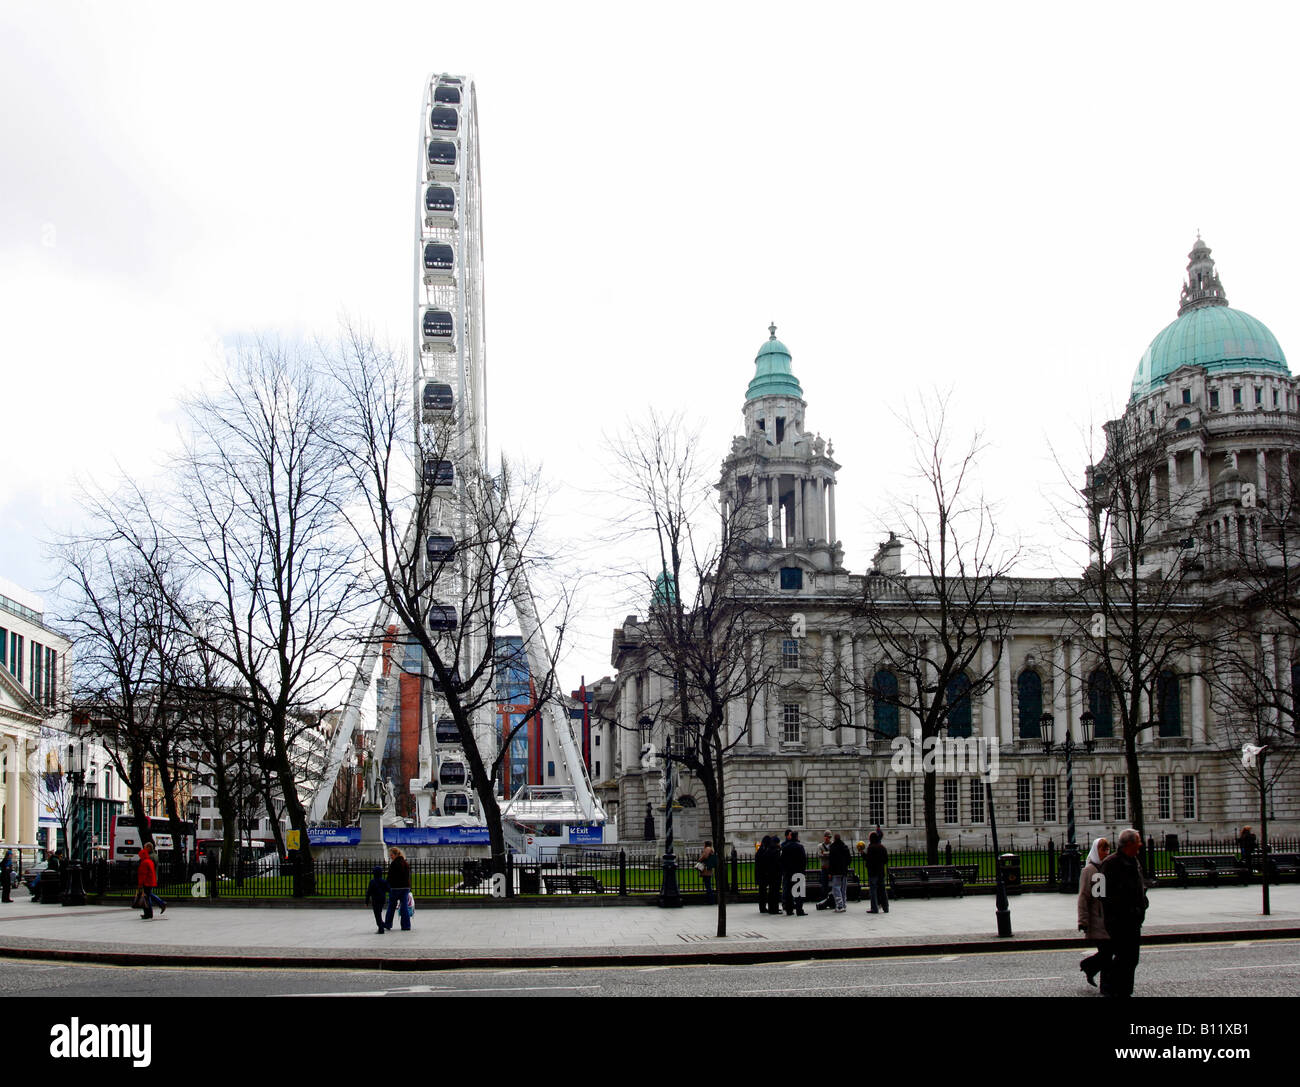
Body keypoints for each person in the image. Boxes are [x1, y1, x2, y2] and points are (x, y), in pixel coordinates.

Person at [1099, 828, 1148, 998]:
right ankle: (1115, 991)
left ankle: (1125, 990)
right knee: (1123, 958)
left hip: (1133, 919)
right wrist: (1119, 908)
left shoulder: (1134, 861)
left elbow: (1138, 886)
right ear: (1129, 844)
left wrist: (1143, 901)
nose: (1141, 844)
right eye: (1138, 841)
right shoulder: (1110, 863)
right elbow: (1100, 892)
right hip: (1119, 921)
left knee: (1132, 959)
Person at [1076, 837, 1111, 987]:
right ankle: (1093, 971)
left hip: (1108, 918)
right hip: (1096, 919)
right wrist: (1083, 921)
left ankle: (1090, 967)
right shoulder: (1088, 870)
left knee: (1108, 953)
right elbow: (1083, 896)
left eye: (1107, 849)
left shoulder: (1108, 867)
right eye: (1103, 849)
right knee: (1107, 953)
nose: (1106, 852)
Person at [384, 846, 412, 931]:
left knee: (391, 907)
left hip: (395, 887)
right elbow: (408, 876)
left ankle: (388, 924)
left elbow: (390, 877)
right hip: (405, 887)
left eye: (391, 855)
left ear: (395, 855)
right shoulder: (405, 863)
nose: (390, 857)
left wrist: (387, 885)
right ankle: (406, 925)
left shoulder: (394, 864)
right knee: (404, 907)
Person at [780, 830, 807, 916]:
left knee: (788, 891)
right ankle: (799, 910)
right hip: (798, 871)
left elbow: (782, 860)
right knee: (799, 892)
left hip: (788, 872)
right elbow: (804, 860)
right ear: (797, 837)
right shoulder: (800, 847)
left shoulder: (785, 847)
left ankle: (789, 909)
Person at [137, 843, 165, 920]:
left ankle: (150, 912)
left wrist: (140, 884)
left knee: (147, 896)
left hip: (148, 880)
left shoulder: (148, 859)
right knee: (148, 895)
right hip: (152, 879)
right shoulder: (153, 856)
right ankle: (158, 905)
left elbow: (144, 873)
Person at [863, 831, 889, 913]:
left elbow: (868, 859)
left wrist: (862, 854)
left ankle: (874, 908)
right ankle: (886, 907)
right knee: (882, 890)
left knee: (873, 891)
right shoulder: (882, 847)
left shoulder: (871, 848)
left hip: (873, 872)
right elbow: (886, 860)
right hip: (881, 871)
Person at [755, 836, 781, 914]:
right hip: (763, 874)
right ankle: (763, 907)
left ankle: (765, 907)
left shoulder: (763, 850)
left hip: (763, 874)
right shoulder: (763, 850)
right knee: (763, 892)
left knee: (764, 892)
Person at [828, 833, 851, 913]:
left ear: (834, 839)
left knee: (836, 888)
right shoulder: (845, 847)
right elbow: (849, 859)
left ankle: (840, 905)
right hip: (843, 871)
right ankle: (844, 904)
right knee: (843, 889)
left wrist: (830, 872)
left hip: (835, 871)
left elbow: (830, 861)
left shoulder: (832, 847)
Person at [365, 864, 389, 935]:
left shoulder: (372, 882)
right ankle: (382, 925)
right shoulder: (383, 881)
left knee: (377, 914)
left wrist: (366, 902)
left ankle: (381, 928)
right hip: (382, 899)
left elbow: (368, 892)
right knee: (379, 913)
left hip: (375, 900)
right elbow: (388, 889)